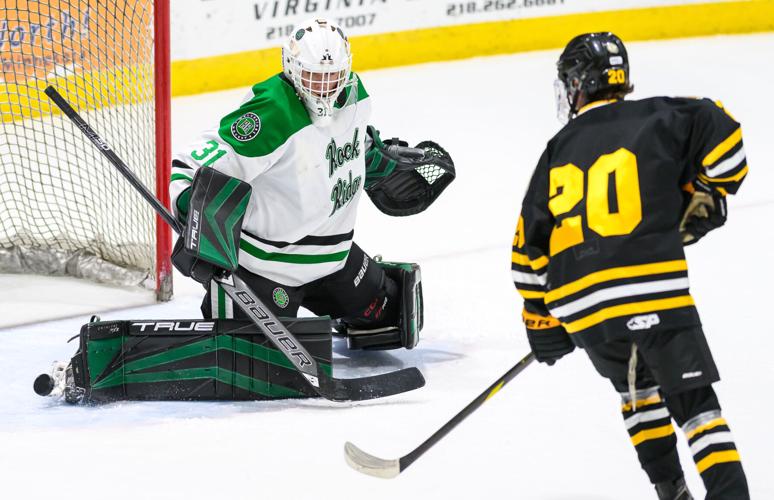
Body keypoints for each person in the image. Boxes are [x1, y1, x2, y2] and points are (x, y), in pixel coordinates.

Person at [512, 32, 749, 499]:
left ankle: (671, 491)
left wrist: (540, 318)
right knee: (696, 407)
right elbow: (730, 148)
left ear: (578, 84)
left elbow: (526, 250)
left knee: (636, 392)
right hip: (653, 288)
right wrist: (703, 194)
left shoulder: (557, 148)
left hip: (585, 308)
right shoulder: (664, 113)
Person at [169, 18, 454, 351]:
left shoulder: (355, 98)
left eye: (333, 76)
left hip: (332, 259)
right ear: (291, 68)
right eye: (314, 76)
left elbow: (351, 145)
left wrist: (378, 161)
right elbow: (188, 167)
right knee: (249, 356)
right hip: (266, 268)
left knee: (390, 314)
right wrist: (197, 219)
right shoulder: (271, 114)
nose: (325, 87)